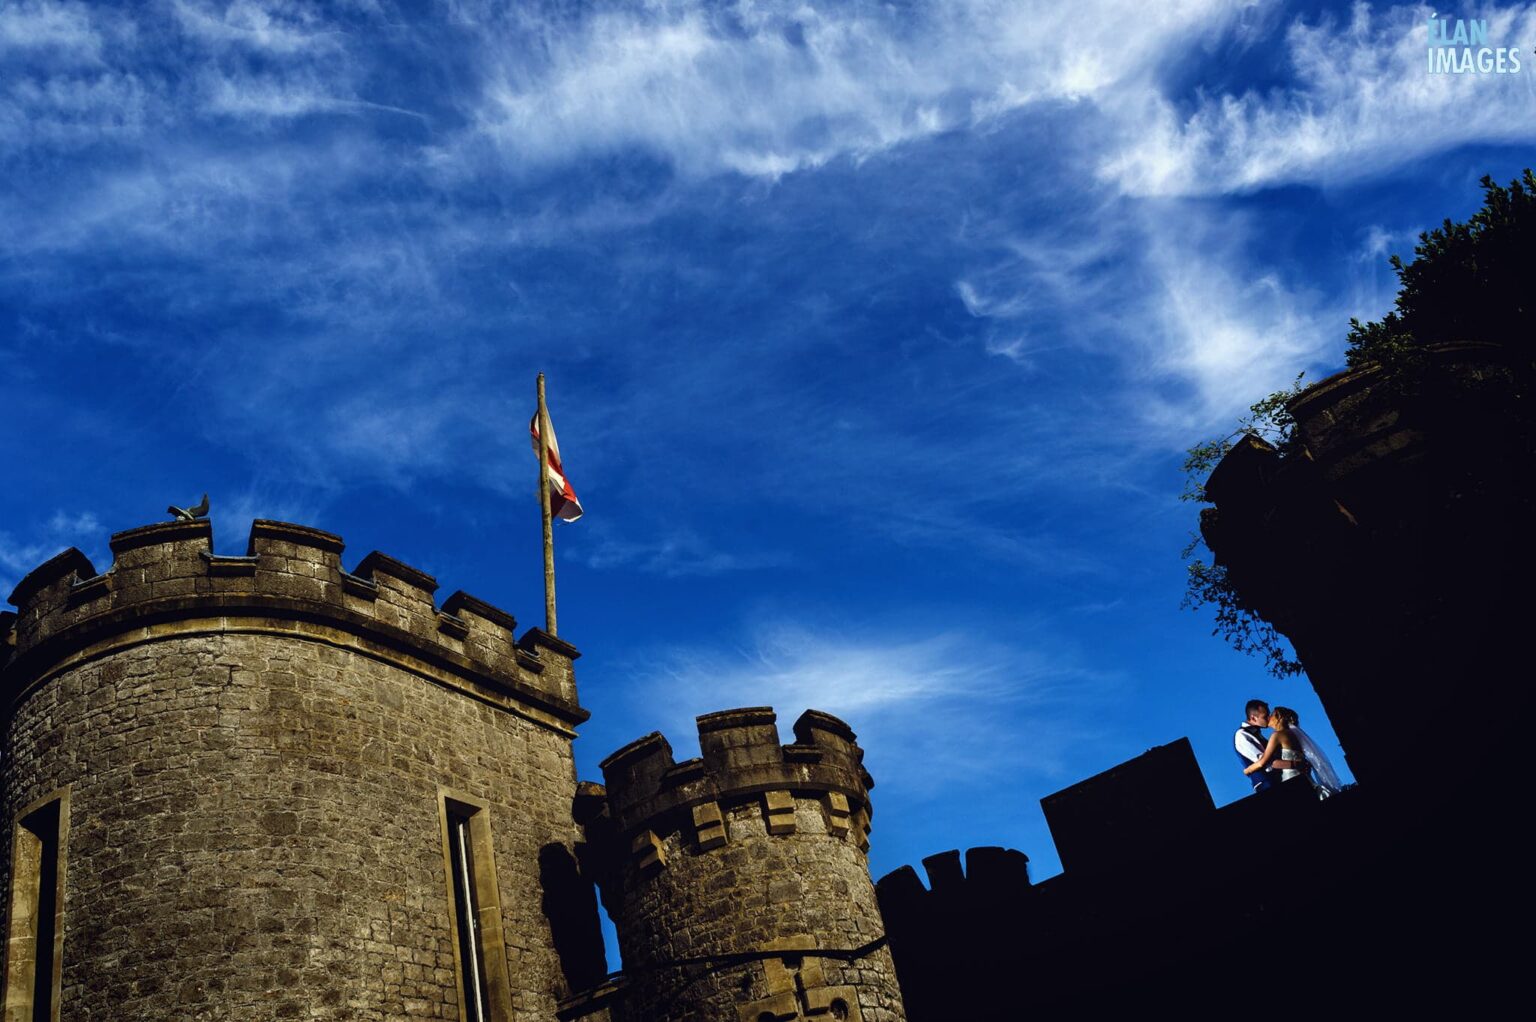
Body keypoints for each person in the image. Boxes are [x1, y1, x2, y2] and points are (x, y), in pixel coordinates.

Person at [1244, 706, 1310, 787]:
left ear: (1278, 717)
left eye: (1271, 715)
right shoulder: (1293, 735)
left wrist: (1248, 770)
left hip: (1290, 778)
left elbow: (1263, 762)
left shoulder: (1277, 735)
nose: (1268, 717)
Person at [1234, 699, 1275, 793]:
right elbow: (1263, 761)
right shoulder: (1242, 735)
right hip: (1265, 783)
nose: (1269, 718)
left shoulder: (1256, 733)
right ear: (1253, 718)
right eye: (1265, 716)